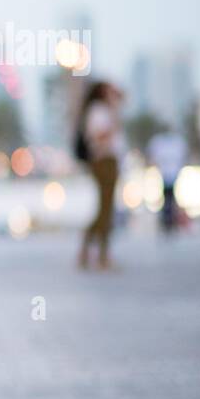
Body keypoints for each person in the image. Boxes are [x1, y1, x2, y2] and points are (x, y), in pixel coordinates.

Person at [74, 81, 124, 270]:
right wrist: (113, 118)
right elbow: (99, 136)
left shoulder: (105, 110)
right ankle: (98, 255)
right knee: (104, 211)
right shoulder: (98, 111)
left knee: (107, 210)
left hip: (109, 161)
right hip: (103, 161)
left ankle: (92, 253)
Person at [147, 127, 188, 236]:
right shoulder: (161, 143)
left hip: (171, 175)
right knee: (168, 199)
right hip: (165, 176)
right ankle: (167, 222)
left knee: (170, 199)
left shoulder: (175, 142)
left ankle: (170, 222)